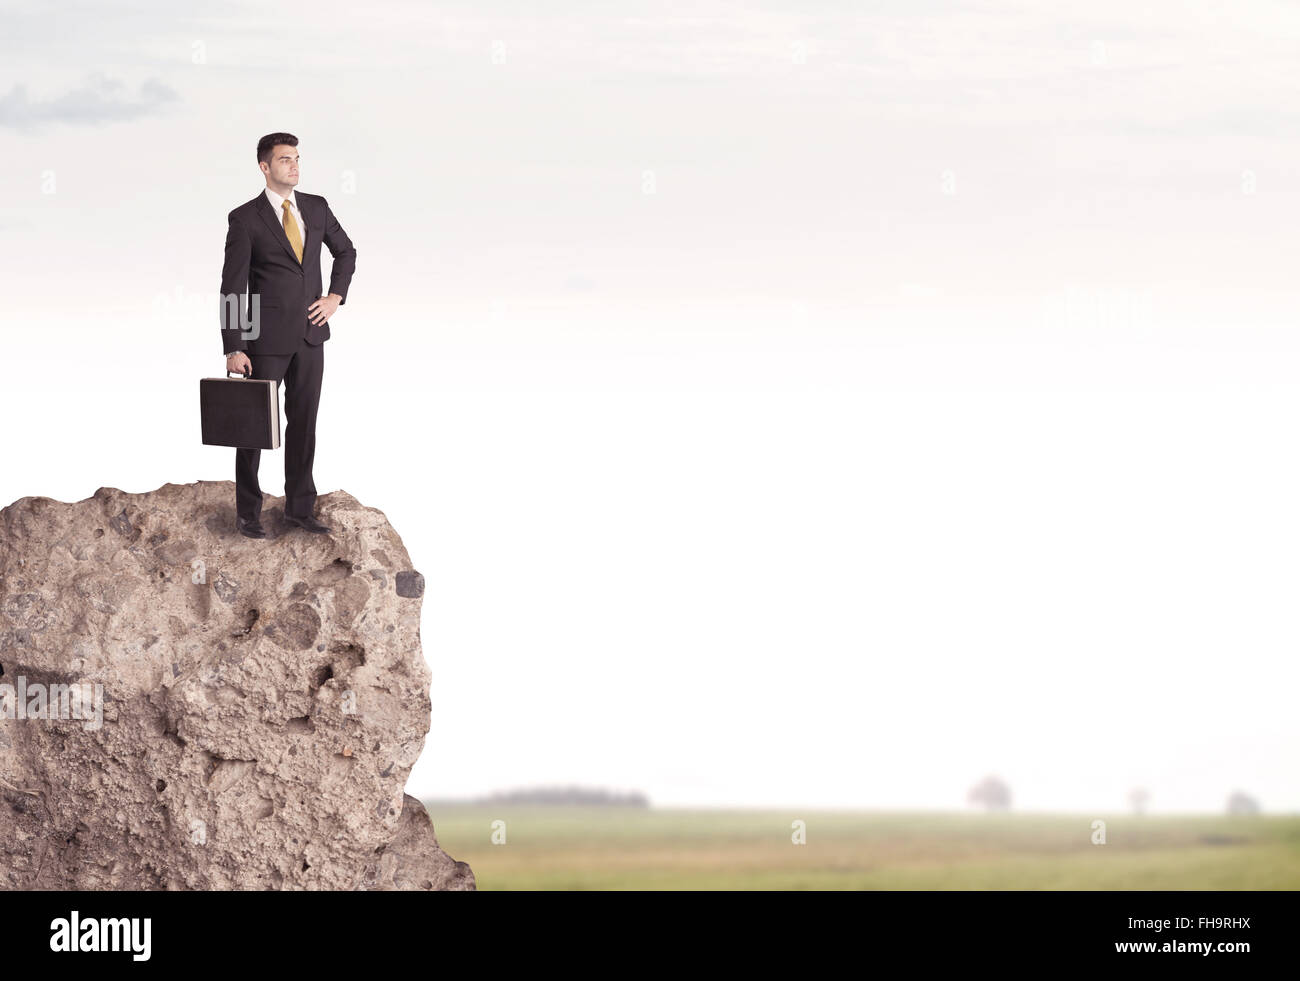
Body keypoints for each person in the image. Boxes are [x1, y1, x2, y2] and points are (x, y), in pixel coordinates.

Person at [219, 132, 356, 538]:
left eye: (297, 158)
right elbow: (232, 287)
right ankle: (248, 512)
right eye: (284, 160)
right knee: (253, 427)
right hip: (263, 339)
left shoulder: (316, 207)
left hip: (312, 334)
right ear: (265, 167)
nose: (294, 166)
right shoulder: (244, 219)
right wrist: (233, 346)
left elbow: (346, 251)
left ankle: (299, 507)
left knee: (304, 423)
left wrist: (335, 297)